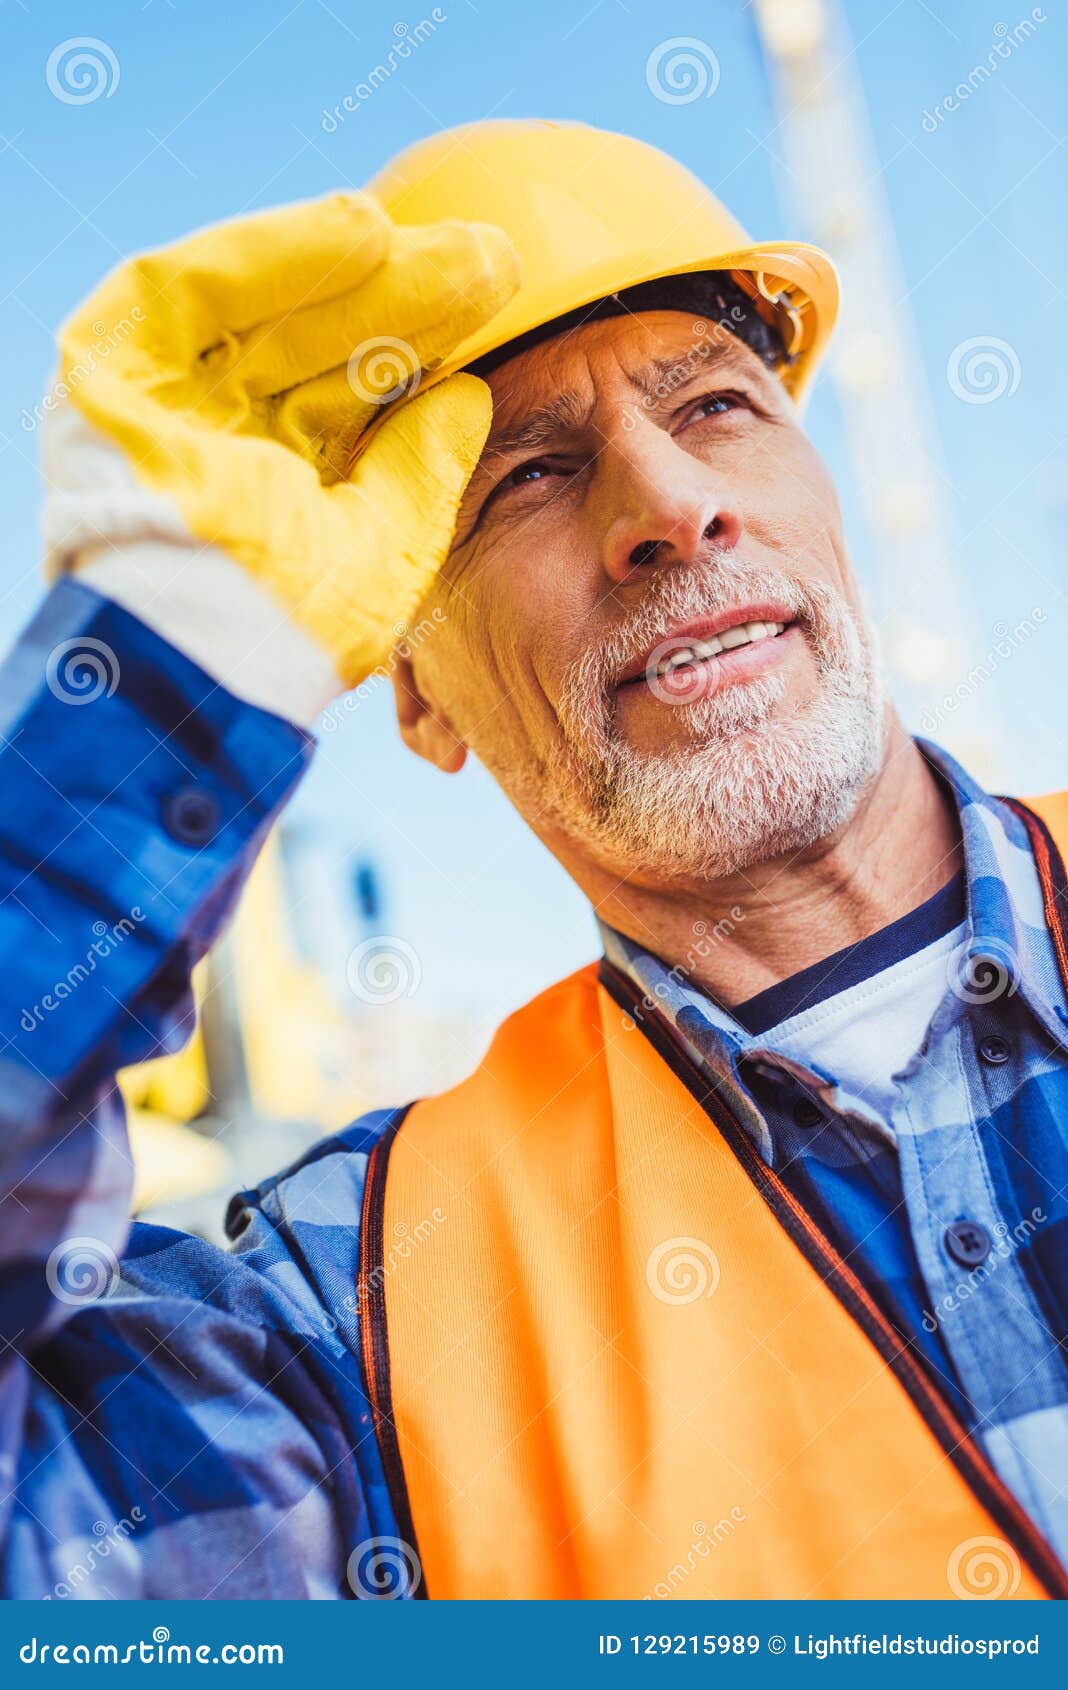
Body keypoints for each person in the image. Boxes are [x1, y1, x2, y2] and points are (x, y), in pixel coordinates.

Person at [1, 119, 1066, 1602]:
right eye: (526, 480)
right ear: (420, 693)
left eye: (714, 408)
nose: (669, 510)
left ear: (822, 502)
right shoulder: (356, 1304)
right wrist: (157, 687)